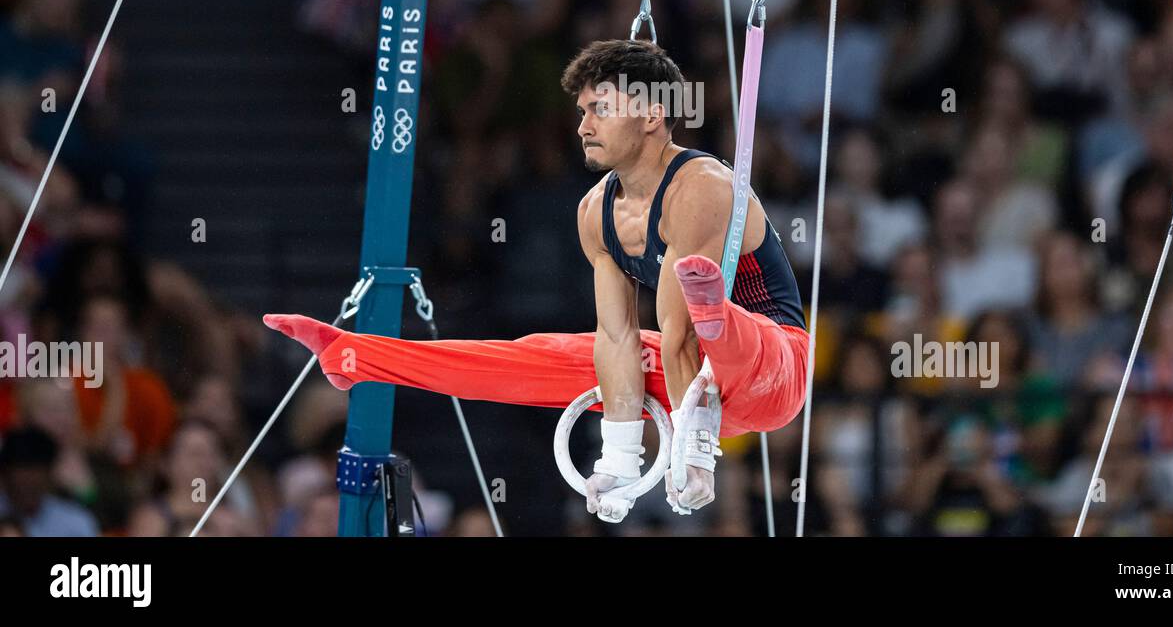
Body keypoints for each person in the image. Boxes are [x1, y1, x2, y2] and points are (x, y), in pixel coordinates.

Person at [264, 40, 809, 523]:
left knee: (708, 320)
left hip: (772, 363)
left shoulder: (703, 186)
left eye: (599, 109)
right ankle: (356, 356)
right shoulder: (595, 211)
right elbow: (617, 338)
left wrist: (692, 455)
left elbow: (681, 335)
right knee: (542, 355)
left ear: (651, 115)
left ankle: (711, 299)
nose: (583, 126)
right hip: (681, 370)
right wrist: (619, 462)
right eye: (582, 112)